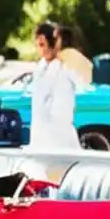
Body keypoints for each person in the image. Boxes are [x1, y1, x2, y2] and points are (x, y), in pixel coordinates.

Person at [29, 22, 81, 151]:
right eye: (38, 44)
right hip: (40, 133)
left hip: (59, 134)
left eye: (42, 44)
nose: (40, 49)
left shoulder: (65, 68)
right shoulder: (40, 68)